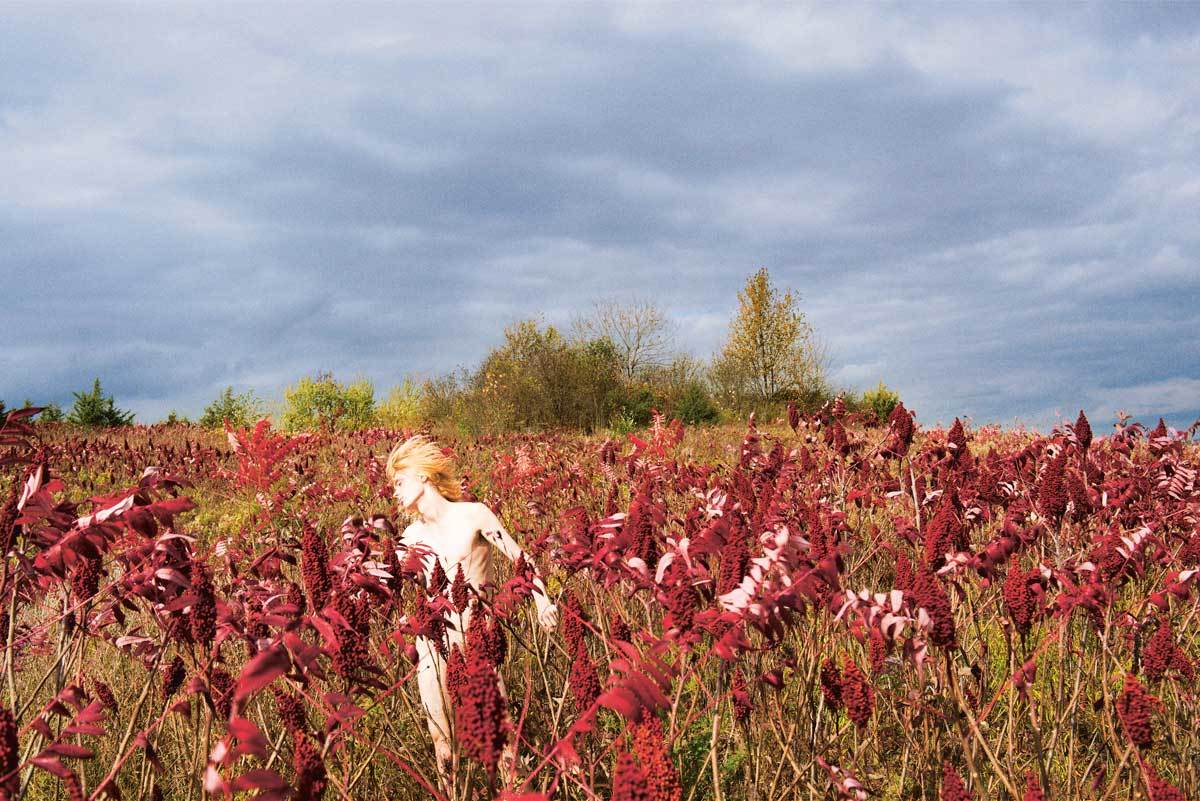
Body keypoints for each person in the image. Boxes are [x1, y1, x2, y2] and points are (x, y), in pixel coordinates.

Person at [385, 434, 559, 786]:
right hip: (433, 649)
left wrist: (542, 599)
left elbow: (521, 559)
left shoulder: (473, 514)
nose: (395, 493)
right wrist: (404, 619)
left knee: (501, 739)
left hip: (477, 640)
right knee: (443, 746)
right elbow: (396, 591)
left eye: (399, 482)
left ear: (422, 475)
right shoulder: (409, 537)